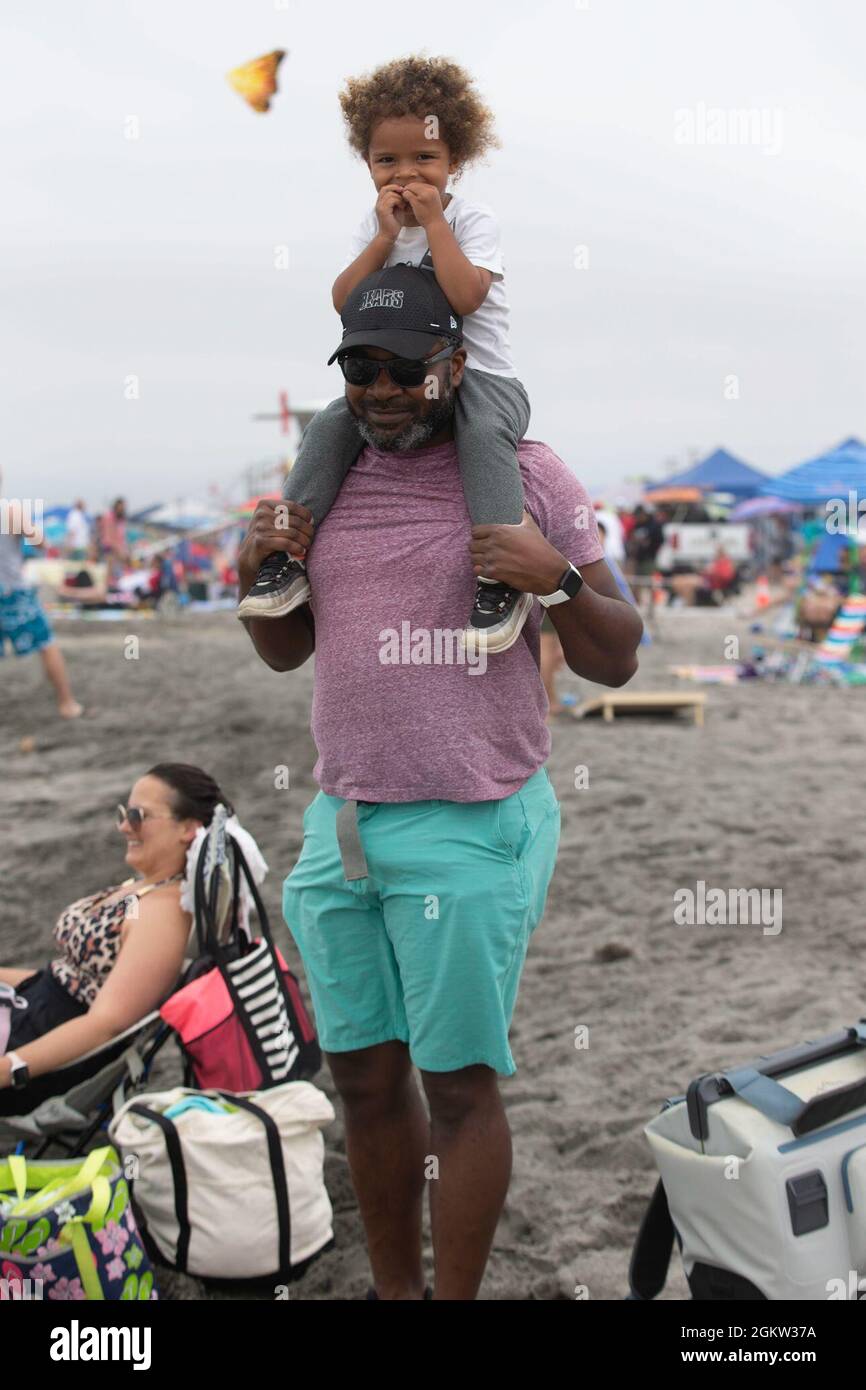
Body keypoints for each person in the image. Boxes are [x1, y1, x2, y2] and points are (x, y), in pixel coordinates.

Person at [238, 265, 643, 1301]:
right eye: (357, 370)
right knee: (364, 1082)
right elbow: (287, 652)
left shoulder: (522, 470)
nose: (376, 389)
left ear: (454, 363)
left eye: (400, 370)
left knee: (456, 1086)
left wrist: (548, 575)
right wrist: (258, 568)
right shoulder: (324, 485)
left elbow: (617, 656)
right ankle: (394, 1293)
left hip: (471, 823)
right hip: (344, 825)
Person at [238, 54, 533, 653]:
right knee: (329, 424)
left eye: (425, 158)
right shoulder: (374, 225)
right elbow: (347, 302)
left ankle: (501, 579)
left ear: (455, 162)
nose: (407, 173)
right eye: (387, 160)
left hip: (484, 380)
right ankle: (286, 559)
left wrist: (434, 227)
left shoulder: (473, 219)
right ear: (368, 164)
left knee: (479, 440)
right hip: (400, 377)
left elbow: (467, 296)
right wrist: (384, 238)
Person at [0, 764, 232, 1116]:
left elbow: (106, 1024)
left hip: (36, 1056)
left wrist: (11, 1066)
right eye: (124, 813)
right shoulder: (141, 892)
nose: (124, 826)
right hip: (26, 1016)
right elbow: (66, 976)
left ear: (188, 828)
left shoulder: (162, 916)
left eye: (139, 816)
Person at [0, 525, 83, 719]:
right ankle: (67, 703)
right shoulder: (11, 512)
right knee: (46, 643)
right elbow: (41, 543)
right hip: (13, 592)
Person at [669, 546, 736, 606]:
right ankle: (685, 601)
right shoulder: (718, 562)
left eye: (717, 552)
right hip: (706, 580)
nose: (715, 554)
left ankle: (688, 603)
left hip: (710, 583)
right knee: (679, 580)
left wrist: (712, 573)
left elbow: (725, 577)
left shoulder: (725, 563)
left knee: (685, 582)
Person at [99, 497, 128, 582]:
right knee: (110, 568)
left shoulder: (121, 519)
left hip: (119, 547)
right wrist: (117, 548)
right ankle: (107, 586)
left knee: (119, 569)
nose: (122, 509)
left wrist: (122, 548)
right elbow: (108, 535)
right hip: (110, 546)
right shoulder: (109, 517)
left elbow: (122, 535)